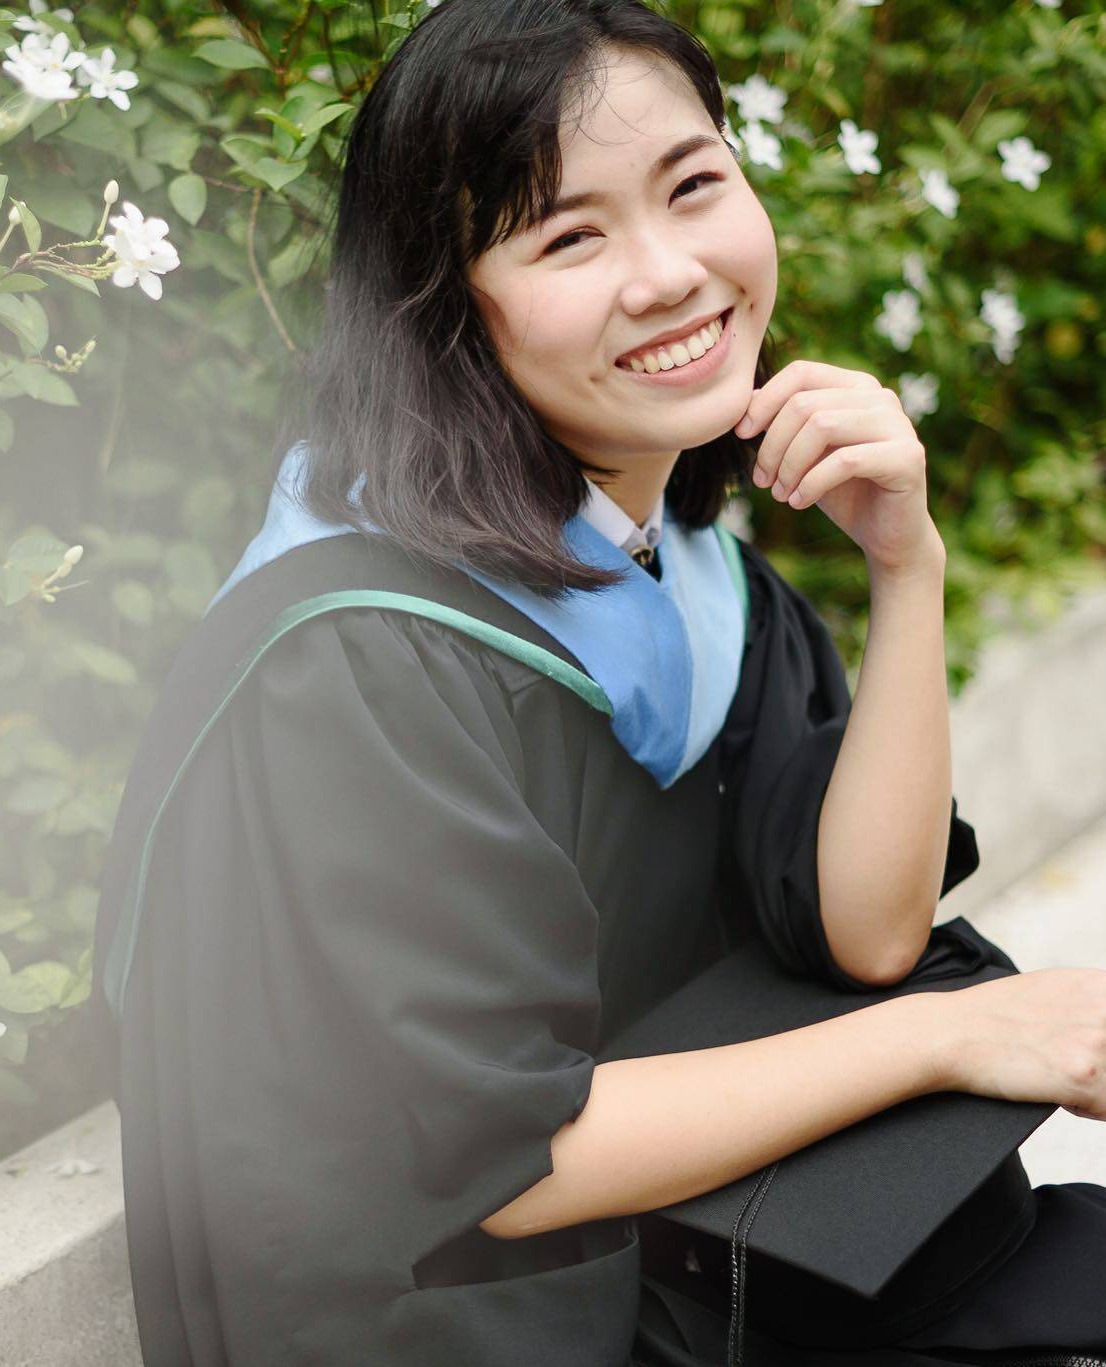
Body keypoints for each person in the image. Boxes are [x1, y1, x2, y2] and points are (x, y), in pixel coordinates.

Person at [92, 3, 1106, 1364]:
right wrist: (952, 1038)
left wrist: (904, 565)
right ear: (444, 307)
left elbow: (869, 933)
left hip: (722, 1251)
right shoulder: (355, 664)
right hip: (482, 1316)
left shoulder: (674, 559)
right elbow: (494, 1159)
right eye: (571, 235)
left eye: (694, 186)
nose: (671, 273)